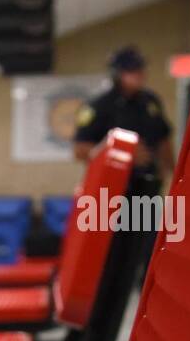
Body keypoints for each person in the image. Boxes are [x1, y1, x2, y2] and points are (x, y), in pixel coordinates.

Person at [73, 45, 174, 267]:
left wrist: (173, 176)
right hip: (111, 193)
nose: (139, 75)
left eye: (140, 70)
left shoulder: (150, 102)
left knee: (150, 252)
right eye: (132, 70)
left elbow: (163, 139)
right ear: (118, 74)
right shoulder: (99, 106)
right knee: (113, 258)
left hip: (146, 189)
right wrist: (123, 154)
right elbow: (81, 149)